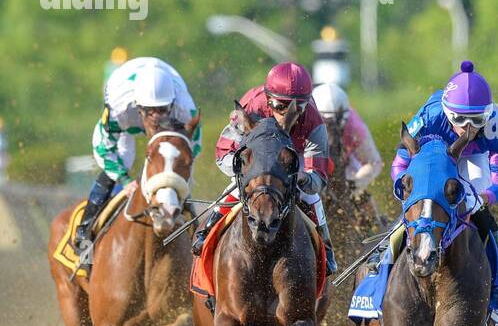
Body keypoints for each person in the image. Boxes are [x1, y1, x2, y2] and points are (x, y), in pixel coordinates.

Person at [391, 61, 498, 321]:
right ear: (447, 112)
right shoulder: (430, 115)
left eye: (476, 121)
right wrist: (410, 194)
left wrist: (483, 198)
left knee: (479, 213)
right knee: (419, 212)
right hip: (434, 158)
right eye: (459, 119)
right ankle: (381, 266)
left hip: (474, 160)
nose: (467, 129)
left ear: (488, 115)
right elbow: (400, 163)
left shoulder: (497, 126)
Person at [195, 62, 336, 273]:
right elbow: (223, 153)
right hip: (252, 158)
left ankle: (326, 247)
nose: (288, 115)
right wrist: (248, 171)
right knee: (237, 182)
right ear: (268, 100)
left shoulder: (314, 123)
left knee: (310, 197)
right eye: (281, 106)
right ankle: (207, 231)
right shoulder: (251, 107)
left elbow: (318, 179)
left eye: (298, 108)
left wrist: (301, 178)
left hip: (289, 157)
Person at [74, 57, 201, 269]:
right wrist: (124, 180)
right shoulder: (119, 110)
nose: (156, 117)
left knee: (172, 167)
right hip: (125, 113)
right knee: (124, 156)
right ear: (138, 106)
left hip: (172, 118)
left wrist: (172, 179)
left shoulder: (185, 111)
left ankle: (197, 237)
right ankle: (84, 232)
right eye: (149, 110)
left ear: (171, 104)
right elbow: (104, 149)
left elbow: (192, 149)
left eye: (161, 109)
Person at [312, 82, 383, 193]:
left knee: (363, 200)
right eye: (327, 123)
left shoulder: (355, 126)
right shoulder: (303, 122)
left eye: (335, 123)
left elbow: (373, 162)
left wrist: (354, 184)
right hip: (312, 165)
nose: (331, 130)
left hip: (345, 167)